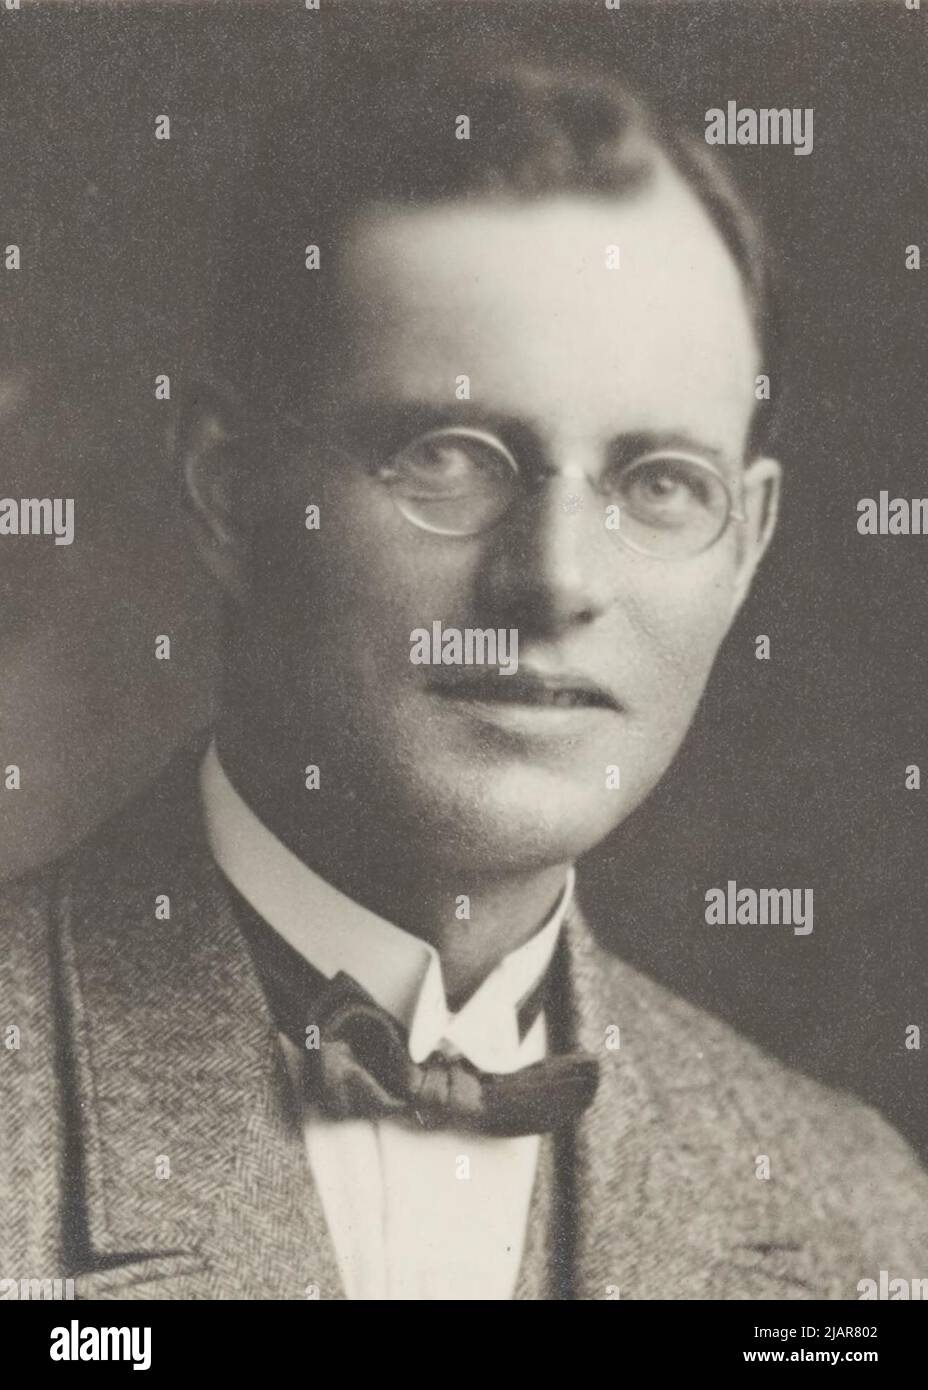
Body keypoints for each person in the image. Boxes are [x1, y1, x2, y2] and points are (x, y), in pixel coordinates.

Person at [2, 50, 926, 1302]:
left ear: (748, 541)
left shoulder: (856, 1216)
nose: (553, 581)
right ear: (230, 493)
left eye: (659, 484)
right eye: (448, 456)